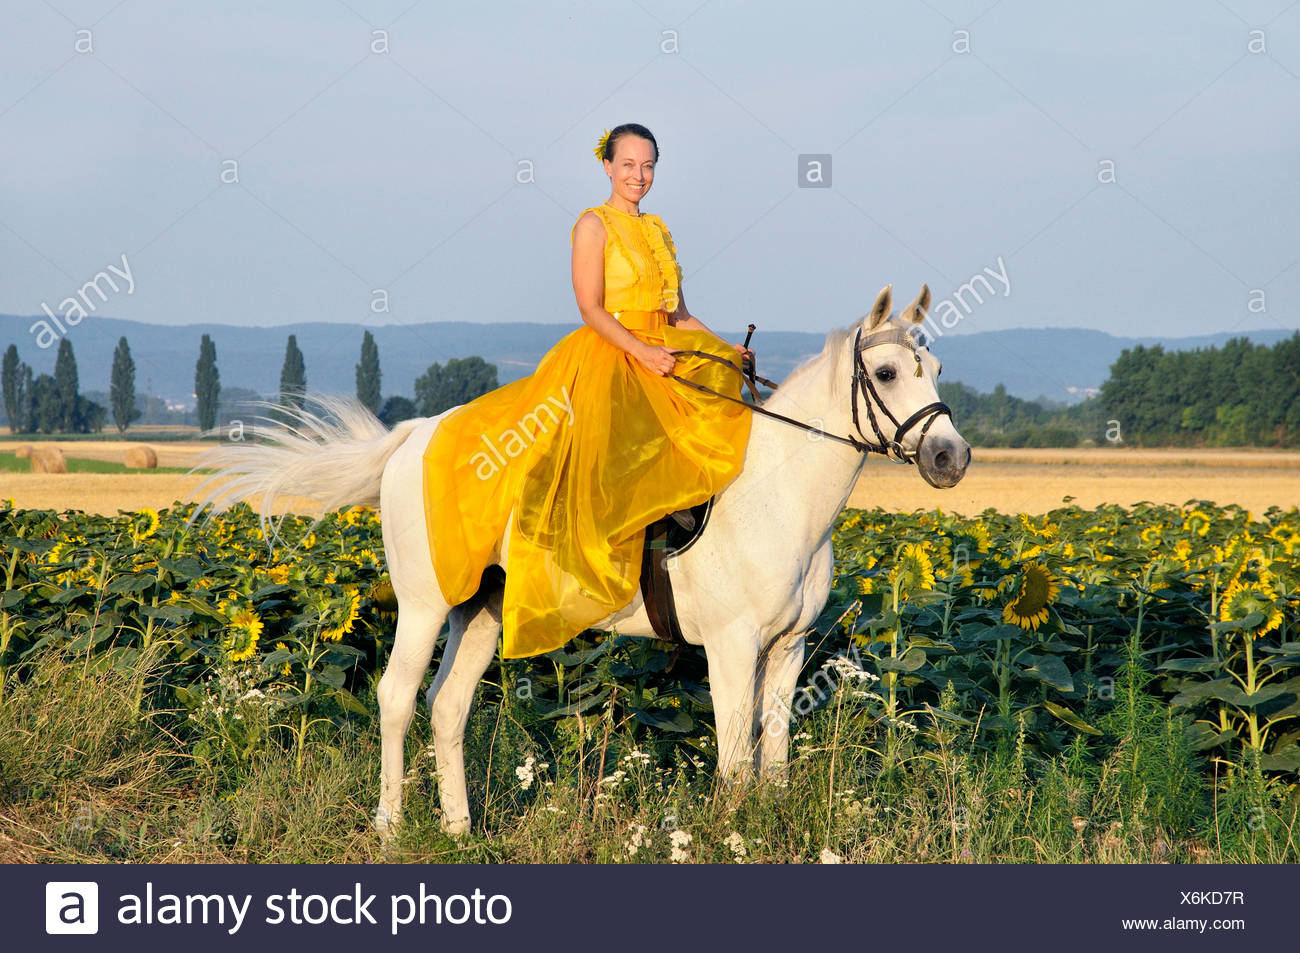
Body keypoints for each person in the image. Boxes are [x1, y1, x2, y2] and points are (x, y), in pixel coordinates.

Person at [421, 122, 754, 658]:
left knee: (721, 409)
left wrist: (723, 348)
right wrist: (641, 351)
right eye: (628, 165)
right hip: (612, 352)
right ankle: (579, 554)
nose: (638, 176)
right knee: (614, 446)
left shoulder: (660, 230)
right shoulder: (592, 226)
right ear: (607, 166)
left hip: (664, 347)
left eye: (647, 166)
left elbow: (680, 314)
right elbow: (590, 309)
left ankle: (689, 559)